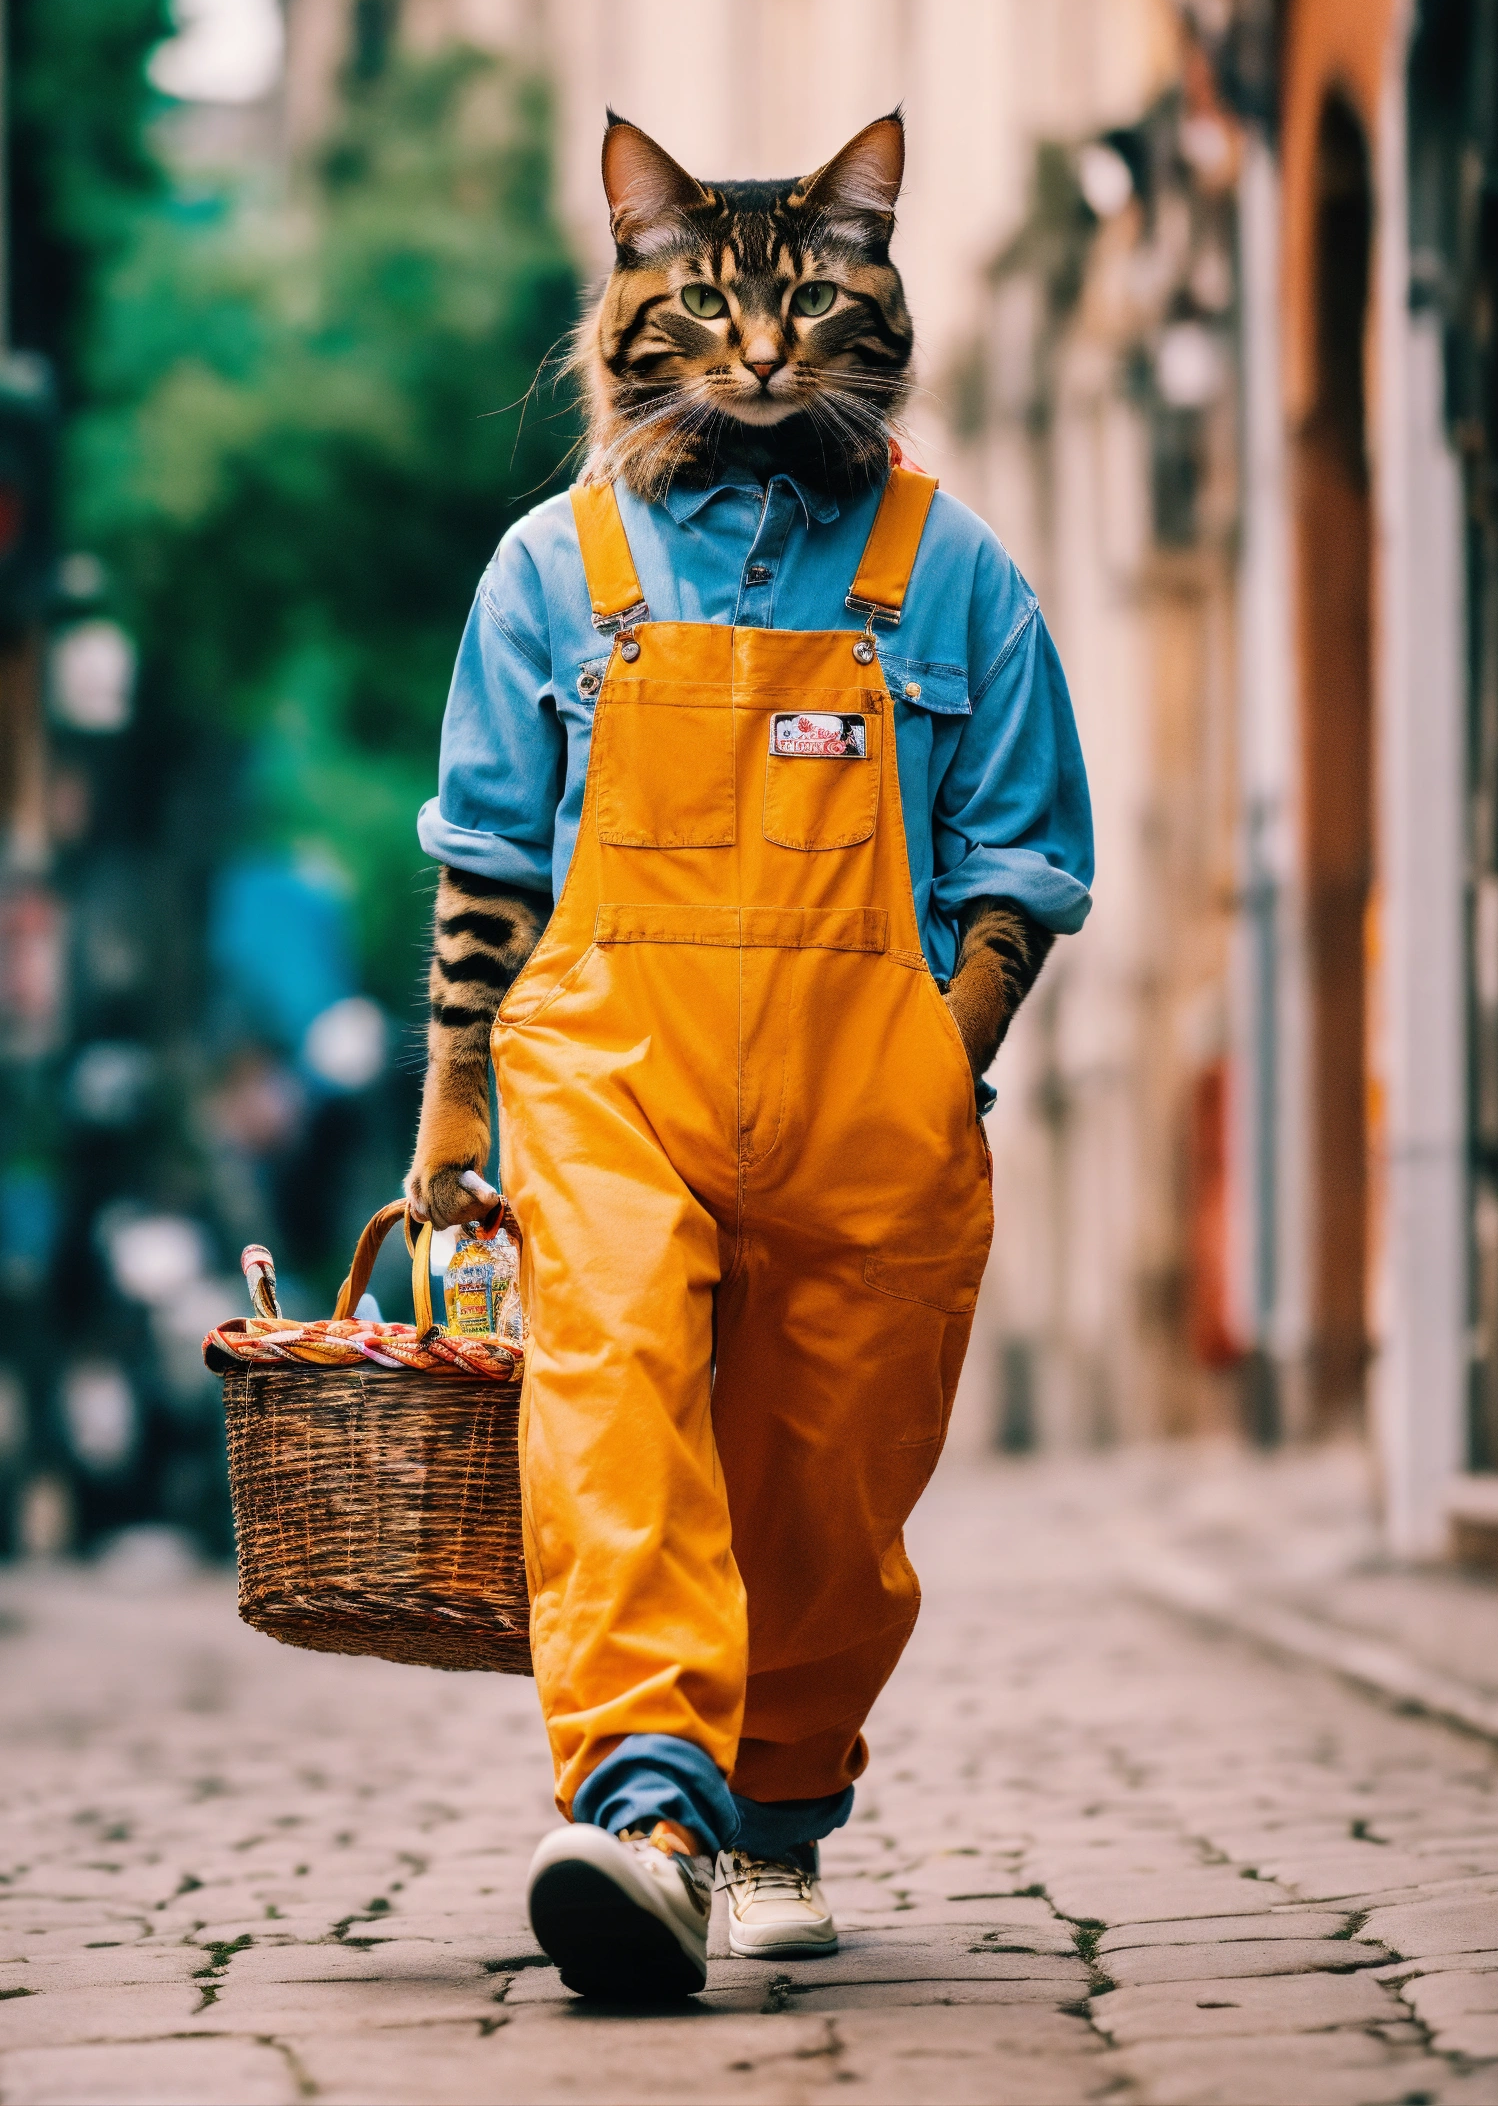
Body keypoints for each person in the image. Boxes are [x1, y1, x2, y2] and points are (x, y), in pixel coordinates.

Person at [408, 112, 1093, 2002]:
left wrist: (935, 1061)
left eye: (813, 302)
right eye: (712, 310)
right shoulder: (556, 564)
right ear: (628, 302)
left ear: (877, 289)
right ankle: (642, 1810)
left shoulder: (951, 573)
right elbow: (482, 859)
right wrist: (456, 1103)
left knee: (827, 1474)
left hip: (869, 1091)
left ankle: (777, 1806)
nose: (768, 351)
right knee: (614, 1405)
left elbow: (1027, 859)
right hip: (608, 1067)